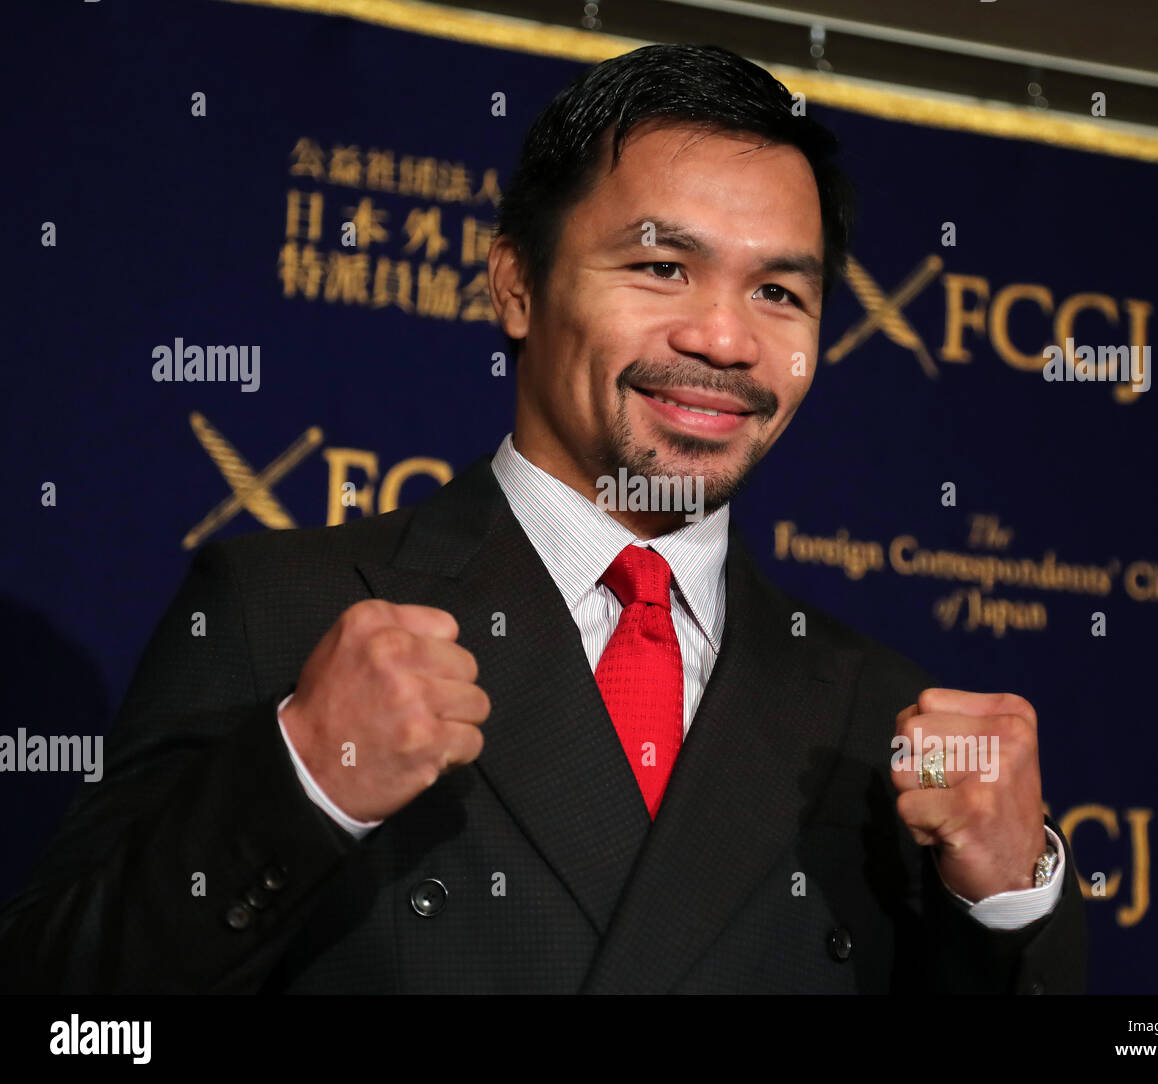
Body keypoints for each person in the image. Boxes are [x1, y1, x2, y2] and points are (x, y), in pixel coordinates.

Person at [0, 43, 1085, 993]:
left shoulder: (883, 721)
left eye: (779, 294)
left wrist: (1007, 901)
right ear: (515, 285)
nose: (724, 338)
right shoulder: (279, 610)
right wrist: (301, 786)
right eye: (662, 267)